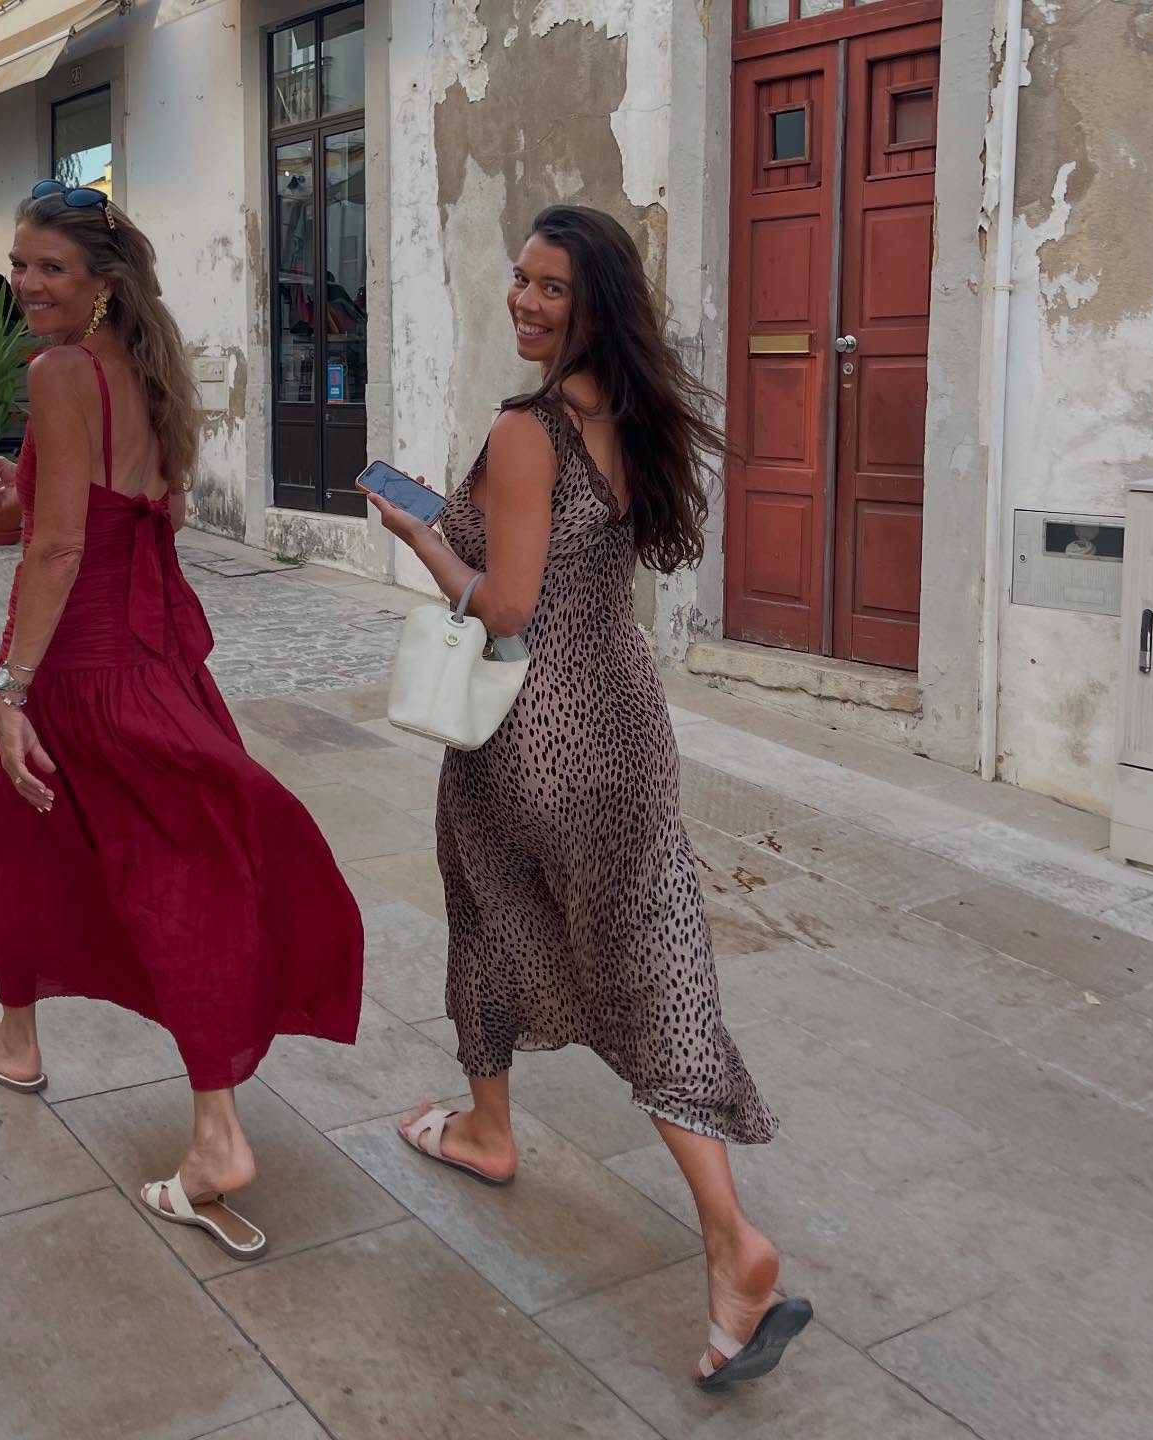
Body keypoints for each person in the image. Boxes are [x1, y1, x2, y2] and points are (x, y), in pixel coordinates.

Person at [369, 205, 811, 1387]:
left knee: (492, 911)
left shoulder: (528, 431)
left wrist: (421, 533)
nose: (524, 300)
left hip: (530, 734)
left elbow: (503, 606)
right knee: (651, 970)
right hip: (625, 724)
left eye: (551, 287)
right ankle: (716, 1235)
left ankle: (503, 1135)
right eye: (519, 279)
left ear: (594, 303)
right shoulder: (630, 418)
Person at [0, 181, 363, 1259]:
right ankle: (17, 1039)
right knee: (57, 842)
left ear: (102, 282)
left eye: (49, 268)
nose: (25, 285)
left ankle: (214, 1133)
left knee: (155, 873)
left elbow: (61, 550)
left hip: (83, 663)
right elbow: (127, 509)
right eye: (20, 264)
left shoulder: (62, 371)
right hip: (150, 654)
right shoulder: (146, 366)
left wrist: (13, 689)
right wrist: (23, 483)